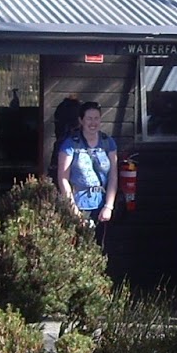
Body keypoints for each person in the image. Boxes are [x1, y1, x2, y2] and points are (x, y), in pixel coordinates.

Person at [57, 101, 118, 245]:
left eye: (96, 118)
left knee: (99, 248)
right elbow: (63, 178)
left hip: (101, 205)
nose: (93, 122)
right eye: (89, 118)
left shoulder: (108, 143)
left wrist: (109, 206)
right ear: (81, 120)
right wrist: (74, 210)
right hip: (79, 204)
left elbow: (113, 176)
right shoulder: (71, 144)